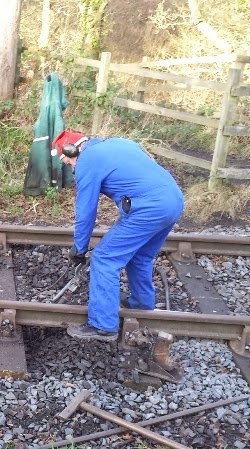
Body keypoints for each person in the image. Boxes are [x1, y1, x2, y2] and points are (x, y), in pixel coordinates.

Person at [53, 130, 185, 342]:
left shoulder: (87, 160)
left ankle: (103, 325)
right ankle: (141, 307)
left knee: (104, 259)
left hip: (148, 207)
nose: (70, 166)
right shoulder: (119, 143)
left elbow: (86, 210)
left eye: (67, 162)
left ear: (72, 151)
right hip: (174, 200)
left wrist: (79, 248)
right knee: (140, 257)